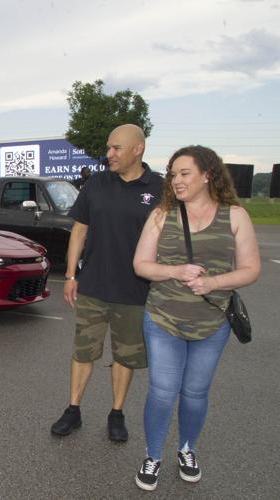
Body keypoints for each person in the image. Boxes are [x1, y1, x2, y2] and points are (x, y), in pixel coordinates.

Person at [131, 145, 259, 491]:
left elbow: (251, 269)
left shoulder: (234, 215)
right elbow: (140, 265)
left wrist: (213, 282)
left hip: (213, 322)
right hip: (163, 320)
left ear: (207, 174)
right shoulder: (162, 214)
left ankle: (187, 449)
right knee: (161, 392)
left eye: (184, 173)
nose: (176, 180)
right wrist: (176, 270)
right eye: (173, 174)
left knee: (195, 393)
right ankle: (153, 455)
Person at [51, 124, 163, 442]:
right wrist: (71, 275)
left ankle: (117, 413)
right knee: (83, 351)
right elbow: (79, 230)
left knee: (125, 356)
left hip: (135, 291)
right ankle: (73, 410)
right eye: (108, 147)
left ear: (138, 149)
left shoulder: (157, 188)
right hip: (93, 286)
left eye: (116, 148)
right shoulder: (96, 183)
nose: (109, 154)